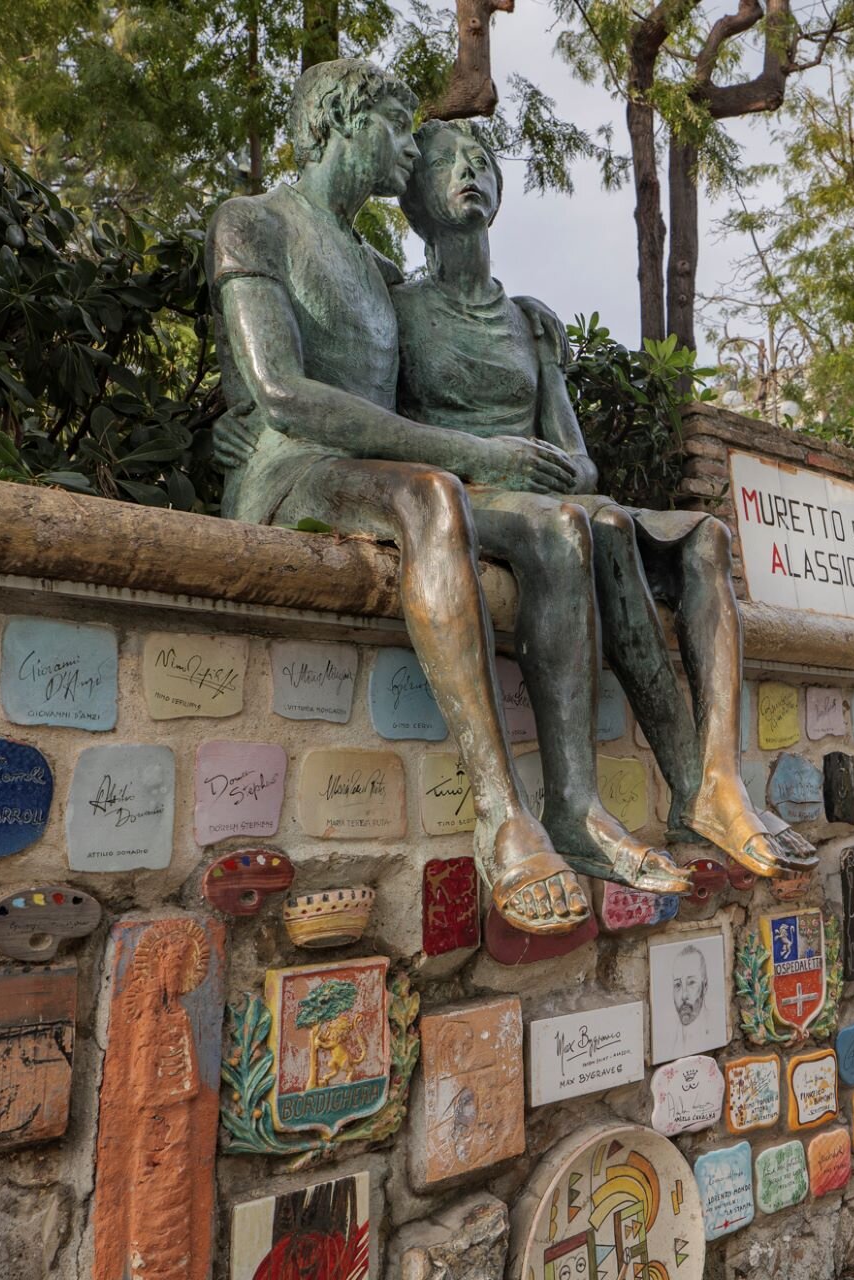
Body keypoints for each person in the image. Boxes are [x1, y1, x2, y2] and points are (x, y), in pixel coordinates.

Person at [206, 59, 617, 934]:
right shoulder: (251, 223)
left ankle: (575, 804)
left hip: (372, 473)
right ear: (342, 123)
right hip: (294, 471)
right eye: (396, 130)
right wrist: (468, 451)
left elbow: (440, 339)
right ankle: (504, 812)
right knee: (435, 499)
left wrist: (531, 322)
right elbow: (279, 391)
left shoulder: (382, 270)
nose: (409, 152)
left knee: (553, 534)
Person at [390, 116, 817, 879]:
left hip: (555, 492)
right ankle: (646, 796)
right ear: (413, 198)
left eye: (483, 160)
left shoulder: (525, 320)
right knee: (596, 528)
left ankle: (717, 781)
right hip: (474, 493)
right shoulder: (399, 309)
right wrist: (504, 463)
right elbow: (394, 436)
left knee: (705, 538)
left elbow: (580, 463)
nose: (471, 171)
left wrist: (548, 453)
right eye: (449, 163)